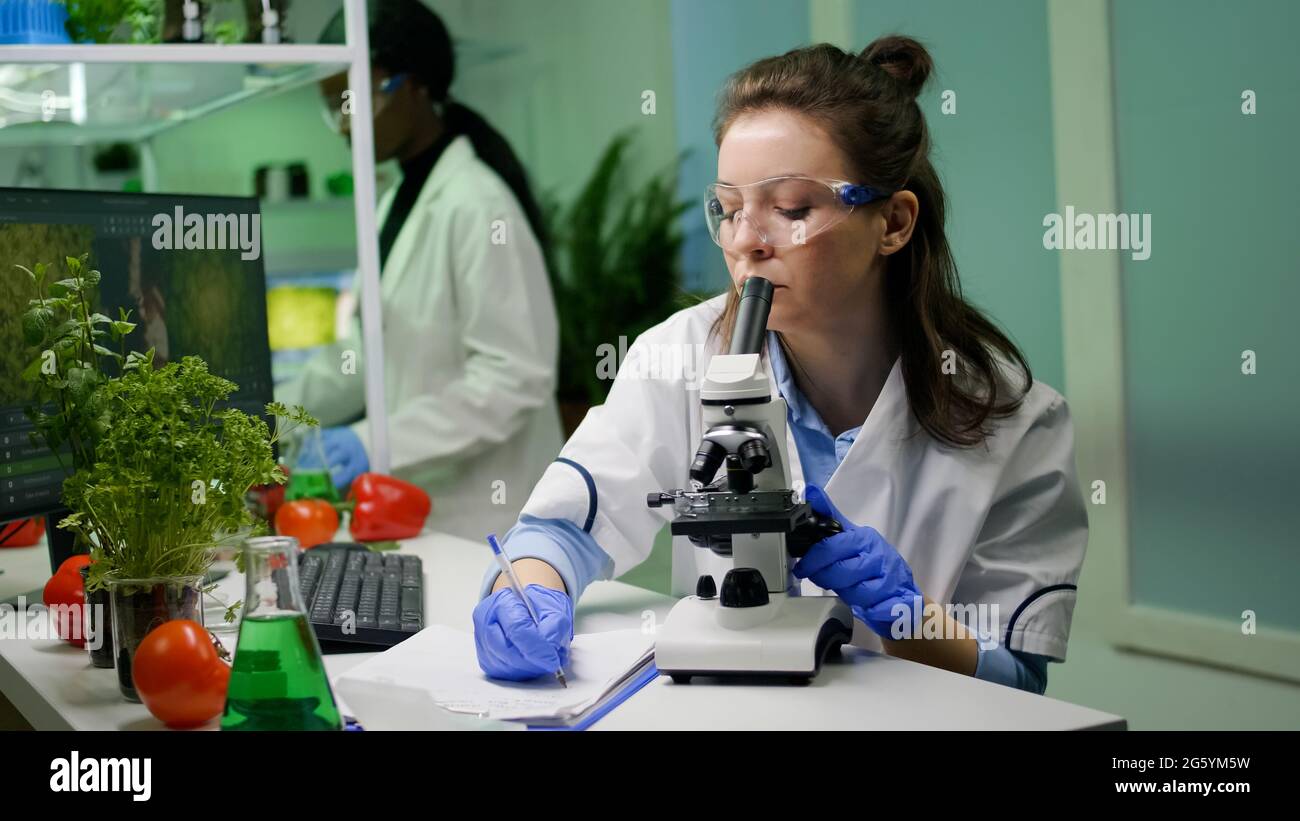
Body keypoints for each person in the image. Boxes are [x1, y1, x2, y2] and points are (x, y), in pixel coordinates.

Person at [471, 36, 1088, 695]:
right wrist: (529, 595)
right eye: (731, 209)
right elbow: (561, 531)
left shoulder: (1016, 421)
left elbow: (1017, 681)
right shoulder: (680, 356)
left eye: (792, 210)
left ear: (893, 222)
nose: (747, 242)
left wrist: (907, 615)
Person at [276, 0, 563, 540]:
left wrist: (372, 441)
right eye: (330, 109)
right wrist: (271, 415)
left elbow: (514, 376)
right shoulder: (396, 201)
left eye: (350, 102)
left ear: (412, 87)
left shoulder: (477, 204)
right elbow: (363, 357)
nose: (341, 126)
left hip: (488, 517)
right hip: (419, 508)